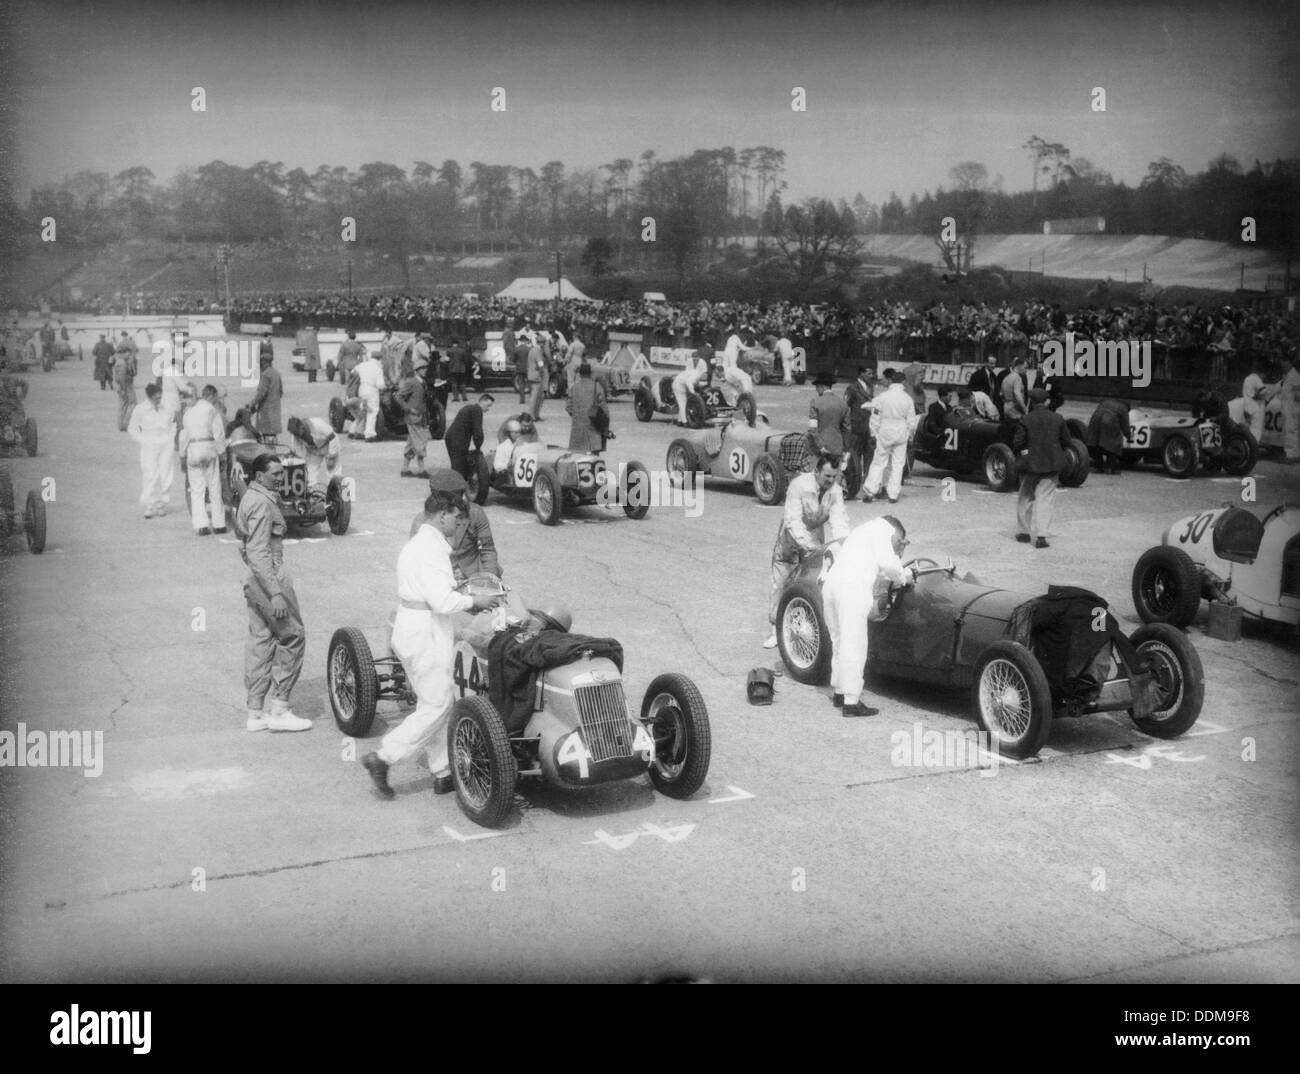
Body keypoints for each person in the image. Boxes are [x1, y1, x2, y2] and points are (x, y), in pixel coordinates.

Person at [361, 472, 503, 799]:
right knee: (438, 705)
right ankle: (383, 757)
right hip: (426, 630)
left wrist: (459, 588)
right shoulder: (434, 548)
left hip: (412, 626)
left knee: (433, 699)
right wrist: (475, 600)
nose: (458, 524)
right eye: (456, 517)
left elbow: (433, 589)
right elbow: (442, 601)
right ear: (443, 515)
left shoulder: (418, 543)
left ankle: (441, 770)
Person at [236, 453, 311, 733]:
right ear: (259, 476)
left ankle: (255, 713)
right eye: (275, 474)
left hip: (254, 578)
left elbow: (243, 539)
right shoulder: (261, 503)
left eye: (281, 473)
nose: (281, 477)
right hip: (268, 577)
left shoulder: (252, 498)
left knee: (261, 641)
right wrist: (275, 593)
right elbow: (258, 551)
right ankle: (279, 709)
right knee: (293, 636)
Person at [823, 516, 915, 717]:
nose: (897, 548)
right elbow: (889, 565)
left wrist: (898, 572)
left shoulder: (863, 529)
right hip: (851, 590)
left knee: (838, 642)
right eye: (899, 544)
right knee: (854, 645)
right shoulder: (884, 531)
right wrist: (905, 576)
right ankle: (851, 702)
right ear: (897, 534)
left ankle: (839, 692)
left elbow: (878, 567)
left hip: (832, 586)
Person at [763, 453, 850, 649]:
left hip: (815, 541)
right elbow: (792, 520)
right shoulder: (799, 485)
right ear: (816, 471)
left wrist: (844, 545)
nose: (830, 481)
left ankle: (802, 628)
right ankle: (776, 630)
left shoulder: (835, 490)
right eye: (827, 476)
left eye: (834, 477)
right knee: (781, 584)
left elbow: (839, 521)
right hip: (790, 541)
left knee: (810, 585)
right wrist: (811, 547)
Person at [409, 469, 503, 581]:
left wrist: (490, 577)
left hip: (474, 577)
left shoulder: (475, 513)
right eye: (454, 497)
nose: (461, 500)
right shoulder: (421, 522)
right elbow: (418, 560)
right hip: (440, 579)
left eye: (460, 494)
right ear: (439, 498)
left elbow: (487, 549)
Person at [1013, 388, 1074, 548]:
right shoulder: (1058, 418)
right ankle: (1041, 536)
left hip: (1030, 465)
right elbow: (1067, 442)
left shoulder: (1025, 419)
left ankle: (1024, 532)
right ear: (1047, 402)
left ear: (1031, 402)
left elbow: (1018, 443)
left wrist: (1027, 452)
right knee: (1045, 499)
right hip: (1051, 464)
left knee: (1026, 497)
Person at [861, 369, 918, 504]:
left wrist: (873, 433)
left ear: (891, 381)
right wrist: (910, 436)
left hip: (885, 430)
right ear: (903, 382)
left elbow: (875, 415)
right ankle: (893, 494)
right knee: (898, 464)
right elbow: (912, 421)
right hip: (901, 431)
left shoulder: (883, 396)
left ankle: (870, 491)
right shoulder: (907, 399)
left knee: (879, 462)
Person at [179, 384, 229, 536]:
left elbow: (183, 436)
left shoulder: (188, 413)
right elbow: (218, 433)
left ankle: (201, 525)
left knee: (196, 489)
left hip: (193, 450)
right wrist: (222, 453)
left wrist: (182, 455)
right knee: (214, 487)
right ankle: (219, 524)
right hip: (208, 448)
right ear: (212, 395)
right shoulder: (211, 410)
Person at [127, 382, 176, 519]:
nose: (158, 400)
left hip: (165, 444)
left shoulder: (166, 407)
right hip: (149, 445)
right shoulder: (140, 409)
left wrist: (171, 437)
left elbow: (173, 423)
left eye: (160, 397)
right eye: (156, 398)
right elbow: (132, 428)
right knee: (150, 474)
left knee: (166, 474)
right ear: (149, 397)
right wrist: (144, 440)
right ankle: (150, 505)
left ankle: (161, 504)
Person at [286, 414, 342, 501]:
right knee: (310, 472)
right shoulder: (295, 435)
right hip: (313, 450)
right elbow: (298, 453)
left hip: (329, 444)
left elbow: (332, 437)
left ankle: (336, 495)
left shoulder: (318, 424)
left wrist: (332, 455)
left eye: (297, 433)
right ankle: (312, 495)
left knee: (333, 472)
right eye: (294, 434)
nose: (297, 436)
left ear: (301, 426)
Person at [394, 356, 430, 477]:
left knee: (411, 443)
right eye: (422, 368)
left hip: (420, 416)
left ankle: (405, 469)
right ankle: (421, 470)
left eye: (425, 368)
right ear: (417, 370)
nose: (425, 370)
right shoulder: (411, 382)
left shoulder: (422, 382)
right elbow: (398, 396)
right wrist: (408, 408)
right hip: (413, 417)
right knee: (420, 441)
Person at [444, 393, 493, 481]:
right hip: (457, 441)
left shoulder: (471, 408)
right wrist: (478, 449)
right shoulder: (477, 410)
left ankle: (452, 490)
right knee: (459, 470)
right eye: (488, 405)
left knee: (457, 467)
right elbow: (478, 432)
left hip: (452, 438)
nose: (488, 409)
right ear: (483, 401)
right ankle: (453, 492)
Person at [807, 372, 851, 464]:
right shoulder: (843, 404)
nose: (816, 389)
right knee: (834, 474)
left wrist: (820, 446)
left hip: (819, 449)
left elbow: (812, 429)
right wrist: (845, 448)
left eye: (817, 387)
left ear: (823, 387)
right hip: (837, 447)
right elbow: (847, 429)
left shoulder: (815, 403)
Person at [567, 361, 611, 452]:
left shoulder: (574, 388)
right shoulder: (597, 386)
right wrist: (605, 426)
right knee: (593, 458)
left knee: (578, 457)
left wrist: (577, 415)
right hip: (593, 427)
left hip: (577, 428)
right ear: (590, 373)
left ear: (580, 374)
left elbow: (568, 407)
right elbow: (604, 408)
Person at [1084, 398, 1131, 474]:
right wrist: (1129, 436)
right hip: (1109, 420)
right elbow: (1125, 426)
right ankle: (1110, 468)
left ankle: (1098, 467)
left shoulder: (1105, 402)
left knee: (1096, 442)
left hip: (1095, 419)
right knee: (1114, 443)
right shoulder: (1124, 408)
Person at [844, 367, 876, 479]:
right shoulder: (852, 388)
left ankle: (867, 477)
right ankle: (855, 478)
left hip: (869, 427)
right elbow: (845, 407)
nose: (871, 376)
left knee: (869, 454)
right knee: (855, 454)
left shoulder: (870, 387)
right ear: (861, 374)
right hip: (856, 427)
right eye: (869, 373)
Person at [1241, 358, 1278, 444]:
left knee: (1248, 430)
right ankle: (1254, 449)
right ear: (1262, 373)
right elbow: (1263, 393)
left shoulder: (1247, 378)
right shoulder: (1257, 379)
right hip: (1256, 407)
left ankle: (1247, 449)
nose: (1264, 377)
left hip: (1246, 406)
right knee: (1256, 430)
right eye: (1265, 374)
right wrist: (1261, 398)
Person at [249, 348, 283, 439]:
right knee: (272, 436)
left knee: (266, 434)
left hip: (266, 410)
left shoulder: (265, 374)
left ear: (264, 363)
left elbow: (261, 393)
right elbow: (281, 392)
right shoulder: (276, 373)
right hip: (275, 409)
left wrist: (252, 404)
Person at [354, 347, 386, 442]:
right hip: (372, 391)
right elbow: (380, 385)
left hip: (362, 389)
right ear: (379, 359)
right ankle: (369, 435)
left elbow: (353, 371)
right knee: (372, 412)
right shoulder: (378, 368)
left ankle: (359, 430)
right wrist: (385, 386)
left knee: (364, 410)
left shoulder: (363, 365)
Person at [672, 347, 711, 426]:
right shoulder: (696, 374)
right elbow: (688, 382)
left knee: (684, 402)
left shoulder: (701, 369)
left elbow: (696, 383)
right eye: (694, 358)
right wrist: (694, 393)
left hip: (684, 383)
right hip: (678, 385)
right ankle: (684, 422)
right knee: (683, 403)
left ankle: (680, 421)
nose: (705, 377)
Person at [113, 332, 138, 432]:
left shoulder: (119, 361)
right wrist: (123, 389)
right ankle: (127, 423)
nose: (129, 354)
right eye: (128, 353)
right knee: (133, 404)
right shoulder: (123, 363)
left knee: (122, 405)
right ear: (123, 353)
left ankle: (121, 425)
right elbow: (122, 377)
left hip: (121, 386)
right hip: (126, 386)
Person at [720, 329, 755, 398]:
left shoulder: (731, 338)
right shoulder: (736, 338)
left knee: (729, 378)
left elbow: (738, 348)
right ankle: (747, 395)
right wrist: (752, 348)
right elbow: (743, 347)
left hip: (726, 358)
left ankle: (724, 378)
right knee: (744, 376)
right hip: (732, 359)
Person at [1280, 350, 1300, 465]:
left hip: (1293, 408)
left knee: (1291, 431)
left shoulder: (1294, 375)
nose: (1282, 364)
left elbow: (1298, 392)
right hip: (1288, 407)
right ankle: (1294, 454)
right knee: (1290, 431)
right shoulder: (1288, 376)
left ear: (1289, 363)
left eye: (1284, 361)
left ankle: (1291, 456)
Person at [526, 336, 547, 420]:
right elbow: (541, 364)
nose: (544, 345)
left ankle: (533, 415)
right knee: (536, 397)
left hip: (530, 375)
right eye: (543, 343)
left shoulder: (531, 350)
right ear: (541, 343)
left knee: (534, 396)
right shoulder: (538, 351)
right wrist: (542, 373)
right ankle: (533, 415)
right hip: (537, 376)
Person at [1001, 356, 1029, 421]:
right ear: (1019, 366)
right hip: (1014, 409)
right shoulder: (1017, 378)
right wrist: (1024, 409)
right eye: (1025, 368)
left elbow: (1001, 394)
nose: (1026, 370)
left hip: (1006, 407)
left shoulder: (1007, 377)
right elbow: (1017, 394)